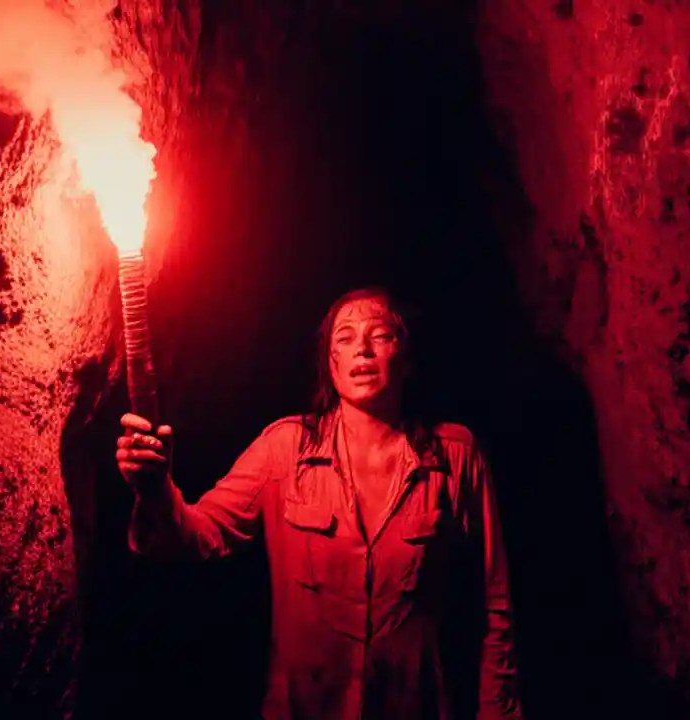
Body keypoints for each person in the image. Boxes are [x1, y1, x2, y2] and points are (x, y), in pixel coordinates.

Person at [115, 287, 520, 719]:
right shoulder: (284, 450)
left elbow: (495, 606)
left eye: (380, 335)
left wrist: (499, 712)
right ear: (332, 364)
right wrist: (155, 490)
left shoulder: (455, 457)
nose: (361, 349)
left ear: (406, 357)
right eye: (344, 338)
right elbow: (200, 534)